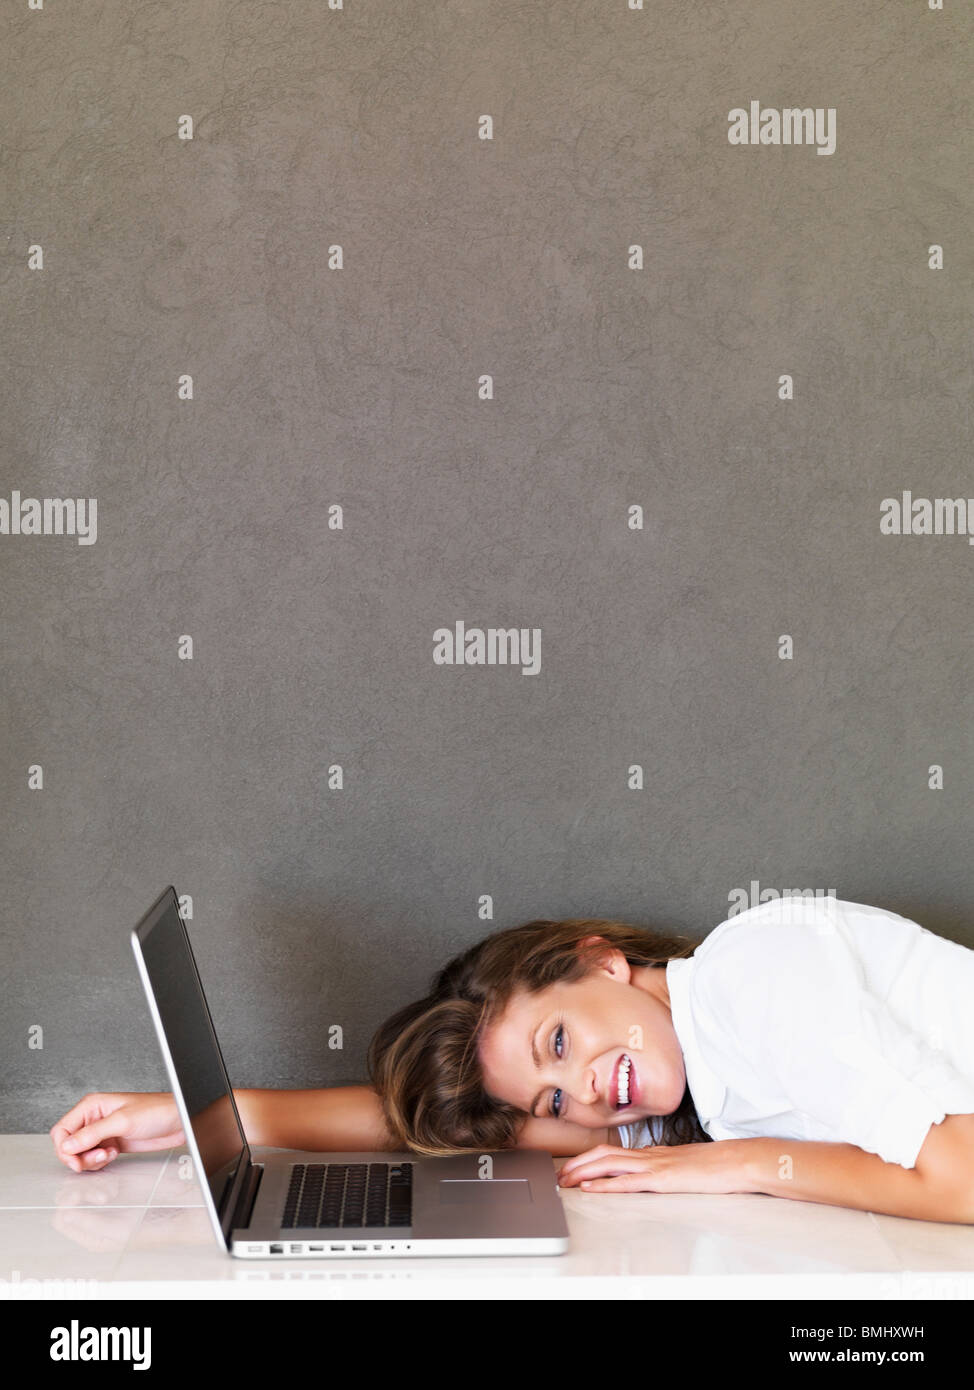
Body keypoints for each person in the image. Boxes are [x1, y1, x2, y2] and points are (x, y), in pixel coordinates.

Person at [51, 895, 974, 1223]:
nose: (581, 1095)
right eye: (554, 1100)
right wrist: (189, 1114)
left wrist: (728, 1167)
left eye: (559, 1044)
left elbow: (963, 1181)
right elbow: (419, 1122)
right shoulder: (678, 1066)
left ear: (599, 958)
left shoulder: (747, 981)